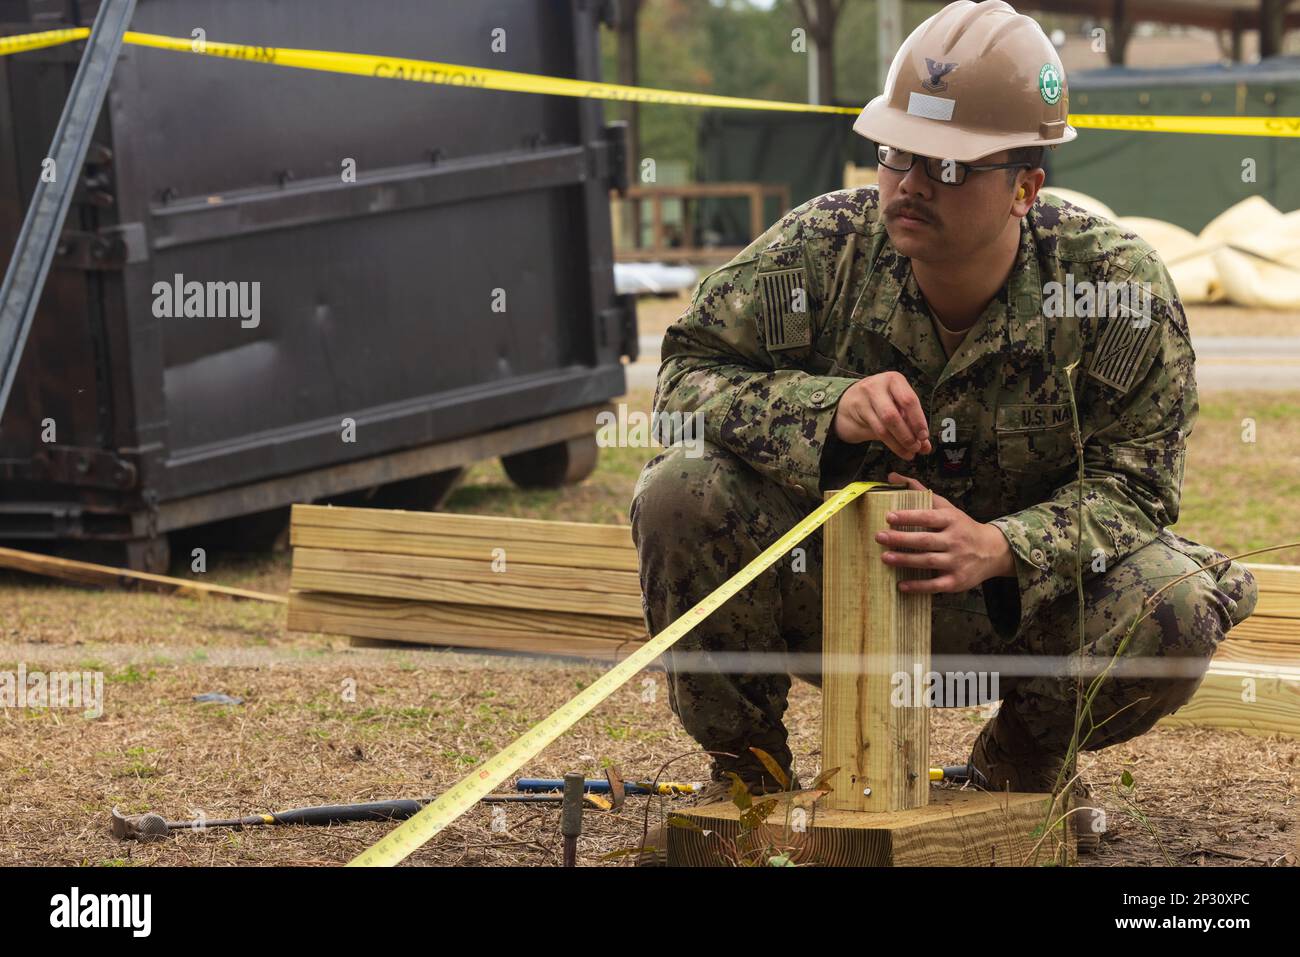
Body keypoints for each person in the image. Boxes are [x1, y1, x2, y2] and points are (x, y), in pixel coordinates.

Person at [630, 0, 1257, 862]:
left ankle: (1021, 763)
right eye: (895, 154)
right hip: (829, 600)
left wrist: (1004, 546)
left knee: (1175, 603)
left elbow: (1138, 486)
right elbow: (683, 379)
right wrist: (825, 409)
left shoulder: (1114, 288)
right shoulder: (824, 249)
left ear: (1026, 188)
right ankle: (749, 771)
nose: (910, 184)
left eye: (949, 166)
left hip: (1019, 618)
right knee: (680, 488)